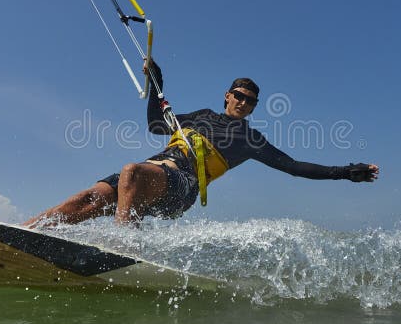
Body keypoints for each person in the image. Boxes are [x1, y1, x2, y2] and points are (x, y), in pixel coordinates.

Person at [24, 60, 379, 227]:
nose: (244, 103)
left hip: (182, 187)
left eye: (251, 101)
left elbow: (294, 167)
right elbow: (156, 124)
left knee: (131, 171)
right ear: (228, 95)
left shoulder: (250, 139)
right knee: (88, 200)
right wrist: (156, 81)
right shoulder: (201, 116)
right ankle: (23, 232)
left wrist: (347, 172)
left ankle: (122, 245)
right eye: (239, 96)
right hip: (153, 172)